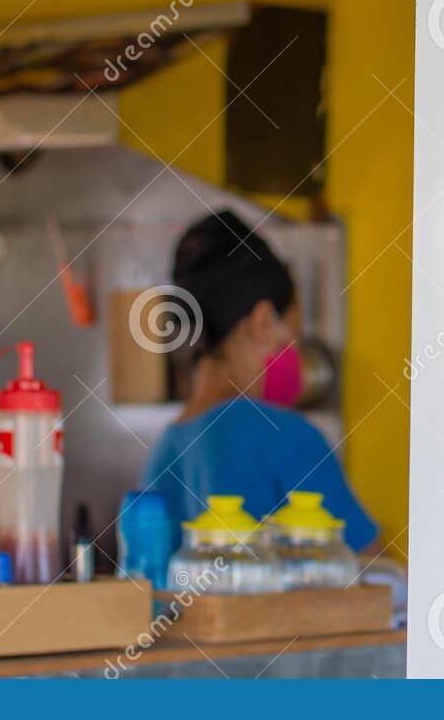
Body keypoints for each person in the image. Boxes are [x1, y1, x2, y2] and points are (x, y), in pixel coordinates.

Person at [141, 210, 379, 553]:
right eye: (291, 335)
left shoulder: (165, 452)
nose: (292, 354)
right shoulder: (290, 438)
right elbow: (378, 579)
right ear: (263, 322)